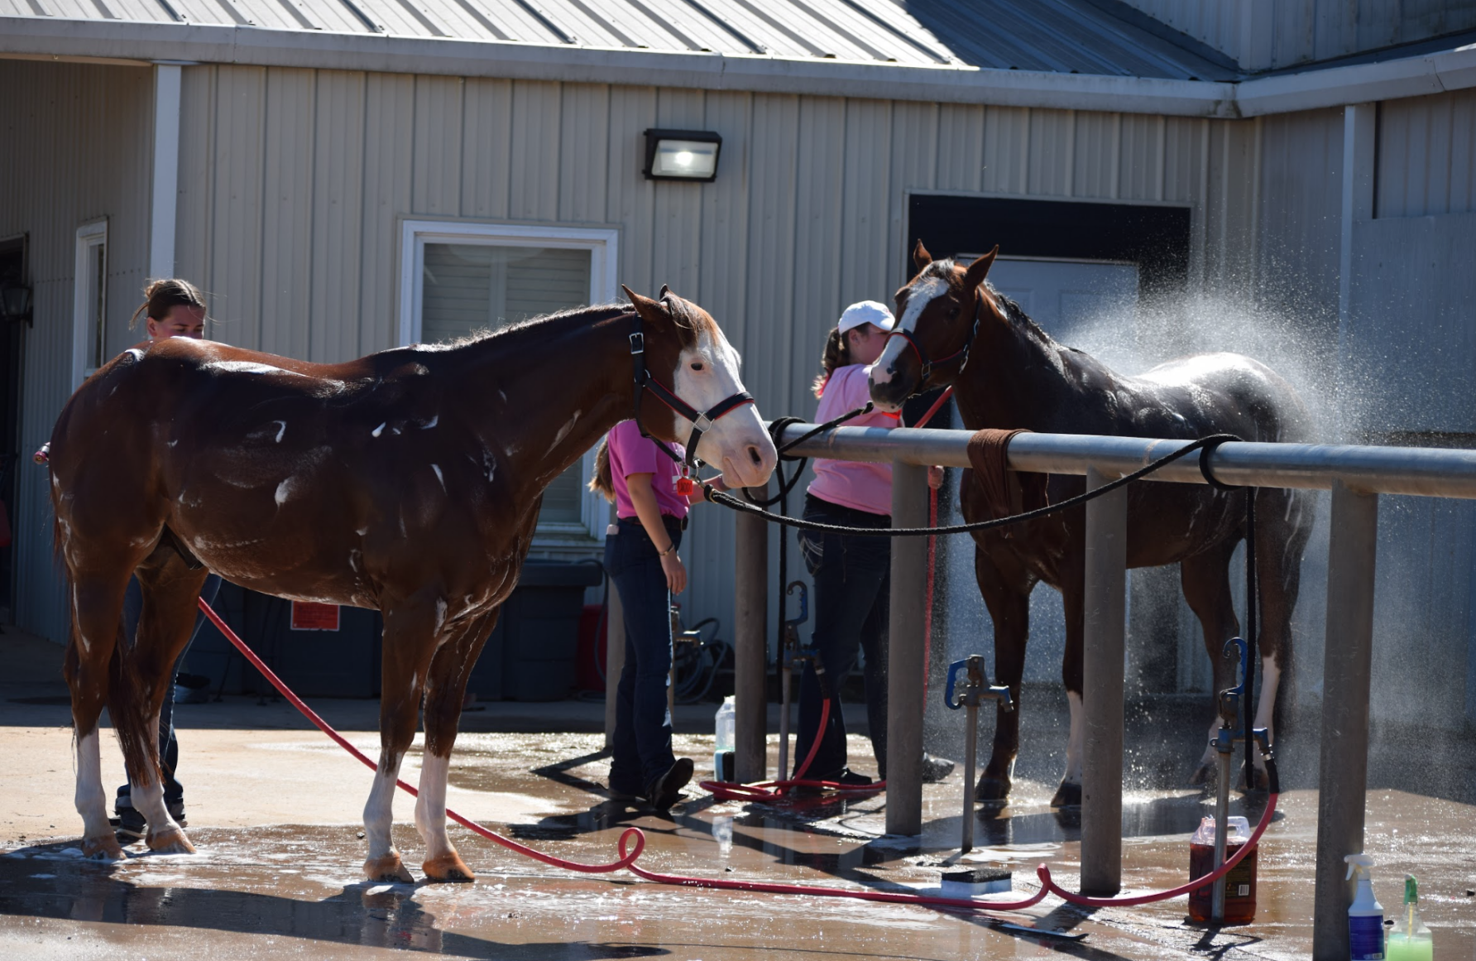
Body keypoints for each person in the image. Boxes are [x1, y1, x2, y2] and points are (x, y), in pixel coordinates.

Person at [792, 300, 953, 785]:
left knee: (886, 652)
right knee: (834, 651)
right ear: (854, 338)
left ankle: (897, 758)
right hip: (846, 527)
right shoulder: (854, 379)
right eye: (882, 334)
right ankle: (817, 768)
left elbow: (885, 451)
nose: (889, 343)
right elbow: (883, 446)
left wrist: (919, 464)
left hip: (870, 529)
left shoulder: (871, 389)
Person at [113, 279, 224, 840]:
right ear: (152, 329)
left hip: (199, 548)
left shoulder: (213, 388)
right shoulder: (128, 379)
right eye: (183, 330)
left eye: (200, 330)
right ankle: (147, 792)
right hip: (141, 551)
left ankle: (152, 793)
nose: (195, 340)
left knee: (160, 670)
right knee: (146, 671)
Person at [590, 420, 725, 810]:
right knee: (654, 662)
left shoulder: (665, 433)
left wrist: (722, 485)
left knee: (639, 666)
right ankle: (656, 771)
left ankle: (627, 774)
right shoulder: (636, 424)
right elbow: (638, 490)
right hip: (644, 545)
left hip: (648, 541)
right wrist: (668, 554)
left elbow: (676, 491)